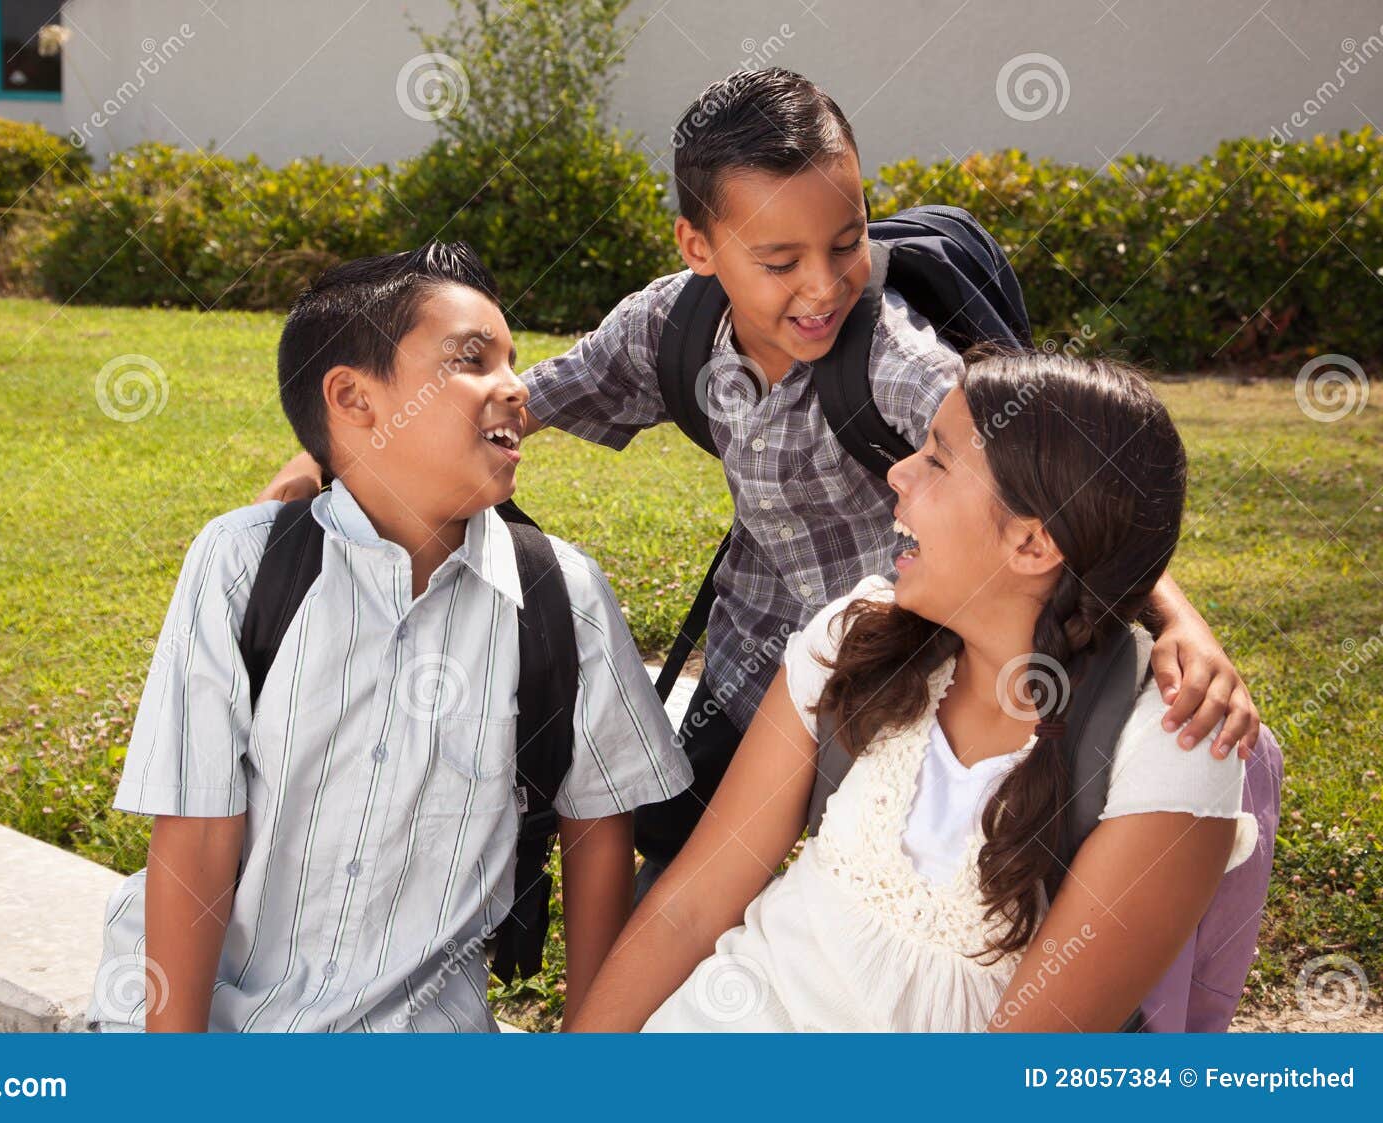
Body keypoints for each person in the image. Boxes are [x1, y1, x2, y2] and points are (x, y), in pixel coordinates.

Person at [257, 70, 1261, 890]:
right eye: (778, 260)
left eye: (845, 241)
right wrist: (338, 453)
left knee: (886, 887)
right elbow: (540, 394)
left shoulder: (897, 364)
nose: (822, 286)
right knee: (680, 865)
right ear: (699, 250)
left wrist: (1177, 622)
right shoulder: (671, 326)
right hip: (751, 659)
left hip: (893, 672)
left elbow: (1053, 488)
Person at [86, 242, 691, 1032]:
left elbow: (598, 835)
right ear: (354, 399)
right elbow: (196, 834)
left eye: (512, 359)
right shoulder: (242, 565)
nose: (515, 386)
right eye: (473, 359)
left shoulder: (560, 596)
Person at [567, 351, 1258, 1032]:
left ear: (1031, 543)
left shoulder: (1171, 745)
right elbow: (689, 907)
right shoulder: (852, 639)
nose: (896, 473)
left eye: (935, 459)